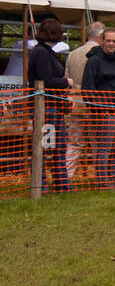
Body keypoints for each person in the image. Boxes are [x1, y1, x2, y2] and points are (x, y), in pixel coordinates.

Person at [27, 17, 73, 193]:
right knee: (48, 148)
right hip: (46, 109)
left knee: (56, 147)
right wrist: (66, 81)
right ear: (54, 34)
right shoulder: (41, 53)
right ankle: (42, 185)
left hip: (53, 108)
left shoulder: (45, 52)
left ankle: (59, 184)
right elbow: (46, 80)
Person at [80, 27, 115, 188]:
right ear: (102, 41)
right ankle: (103, 181)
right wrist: (99, 110)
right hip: (104, 112)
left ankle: (112, 177)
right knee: (104, 147)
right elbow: (87, 88)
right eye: (108, 40)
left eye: (114, 41)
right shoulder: (94, 61)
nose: (111, 44)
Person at [64, 22, 105, 181]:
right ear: (101, 36)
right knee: (98, 143)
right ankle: (101, 177)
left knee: (74, 143)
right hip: (95, 103)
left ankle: (66, 177)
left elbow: (66, 78)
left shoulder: (73, 54)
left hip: (75, 103)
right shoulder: (100, 54)